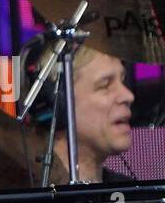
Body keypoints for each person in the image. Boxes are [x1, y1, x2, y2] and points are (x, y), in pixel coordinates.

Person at [51, 45, 134, 183]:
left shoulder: (130, 191)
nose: (128, 96)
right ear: (59, 102)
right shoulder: (28, 193)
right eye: (105, 85)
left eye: (123, 81)